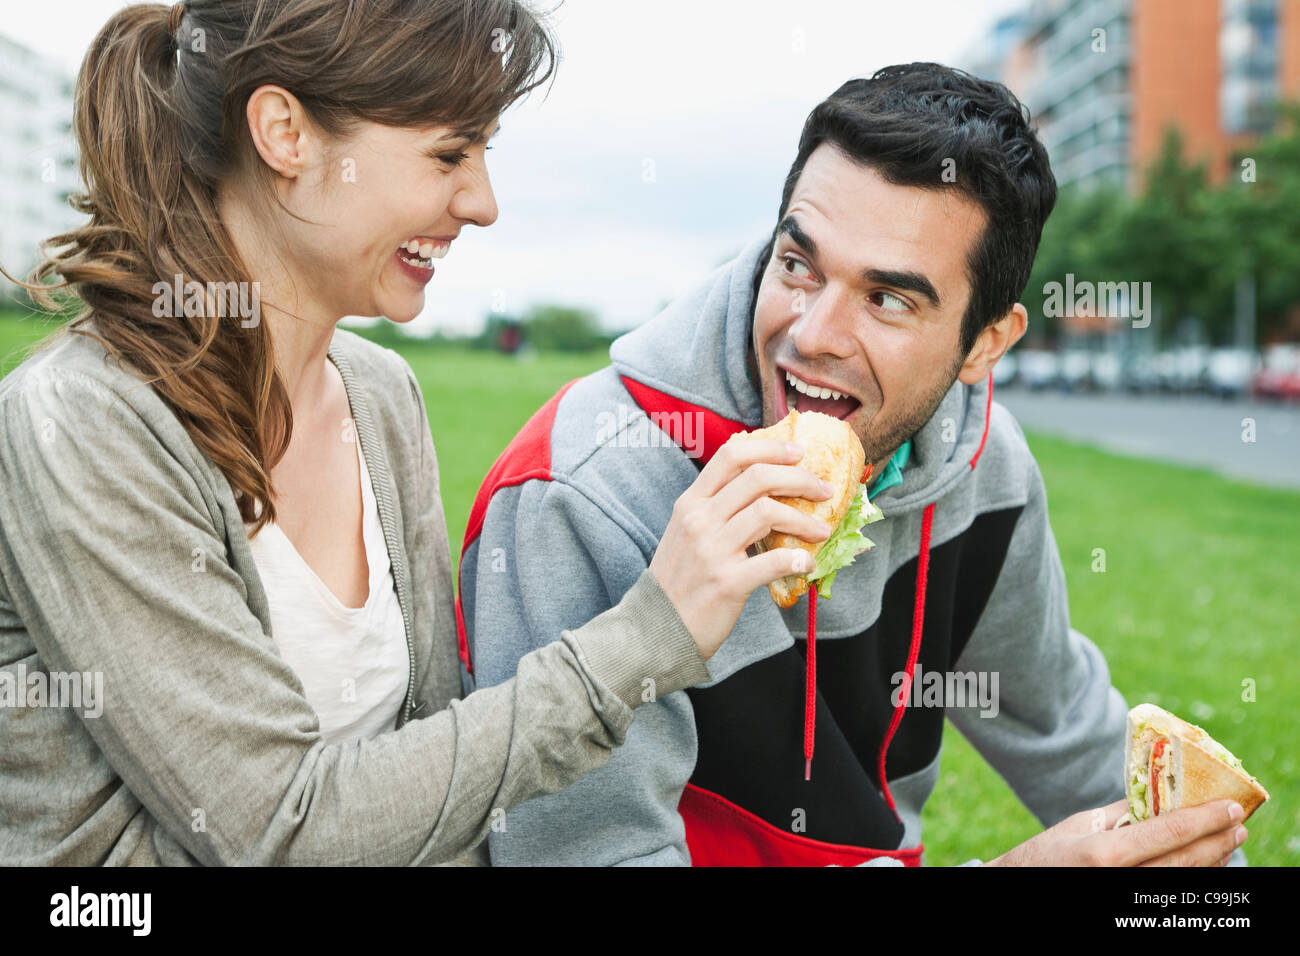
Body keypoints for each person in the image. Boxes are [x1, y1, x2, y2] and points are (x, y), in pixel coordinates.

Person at [0, 0, 833, 867]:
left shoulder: (379, 393)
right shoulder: (82, 422)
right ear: (285, 133)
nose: (481, 202)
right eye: (448, 154)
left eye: (483, 154)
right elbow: (279, 829)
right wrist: (648, 635)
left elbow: (437, 775)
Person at [458, 64, 1251, 866]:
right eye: (799, 265)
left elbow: (1064, 727)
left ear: (986, 344)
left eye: (888, 299)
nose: (814, 334)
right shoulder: (586, 490)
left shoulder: (986, 468)